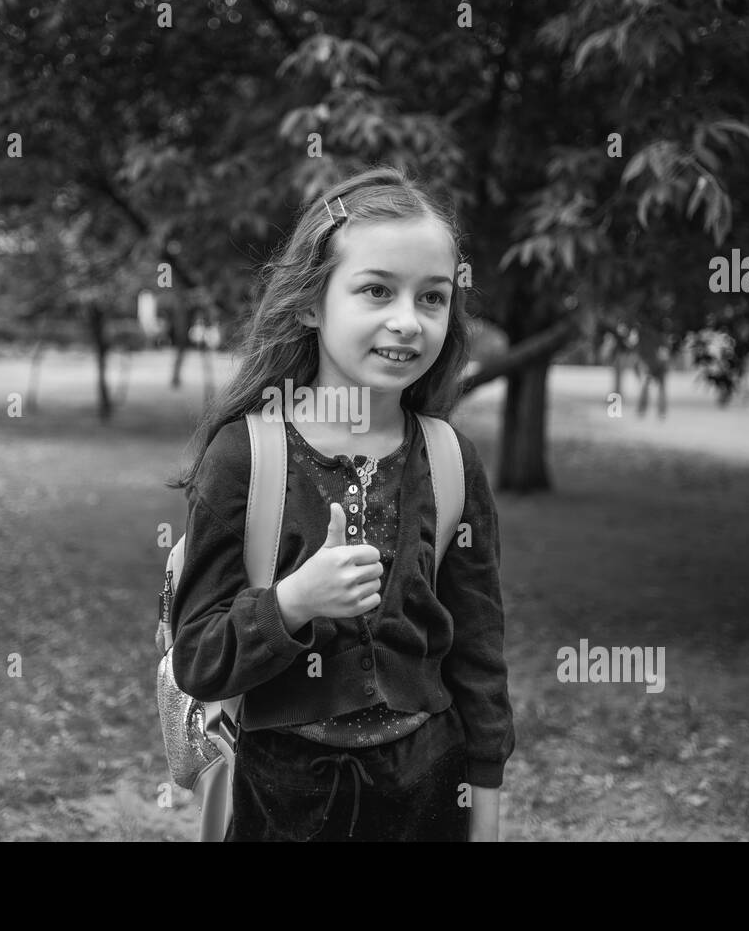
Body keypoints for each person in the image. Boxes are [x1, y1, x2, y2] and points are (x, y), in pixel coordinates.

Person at [165, 165, 515, 841]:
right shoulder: (245, 456)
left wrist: (487, 804)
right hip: (280, 798)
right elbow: (199, 659)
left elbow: (478, 654)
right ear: (310, 302)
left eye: (433, 298)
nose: (408, 321)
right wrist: (294, 601)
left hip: (429, 792)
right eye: (377, 289)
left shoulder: (450, 461)